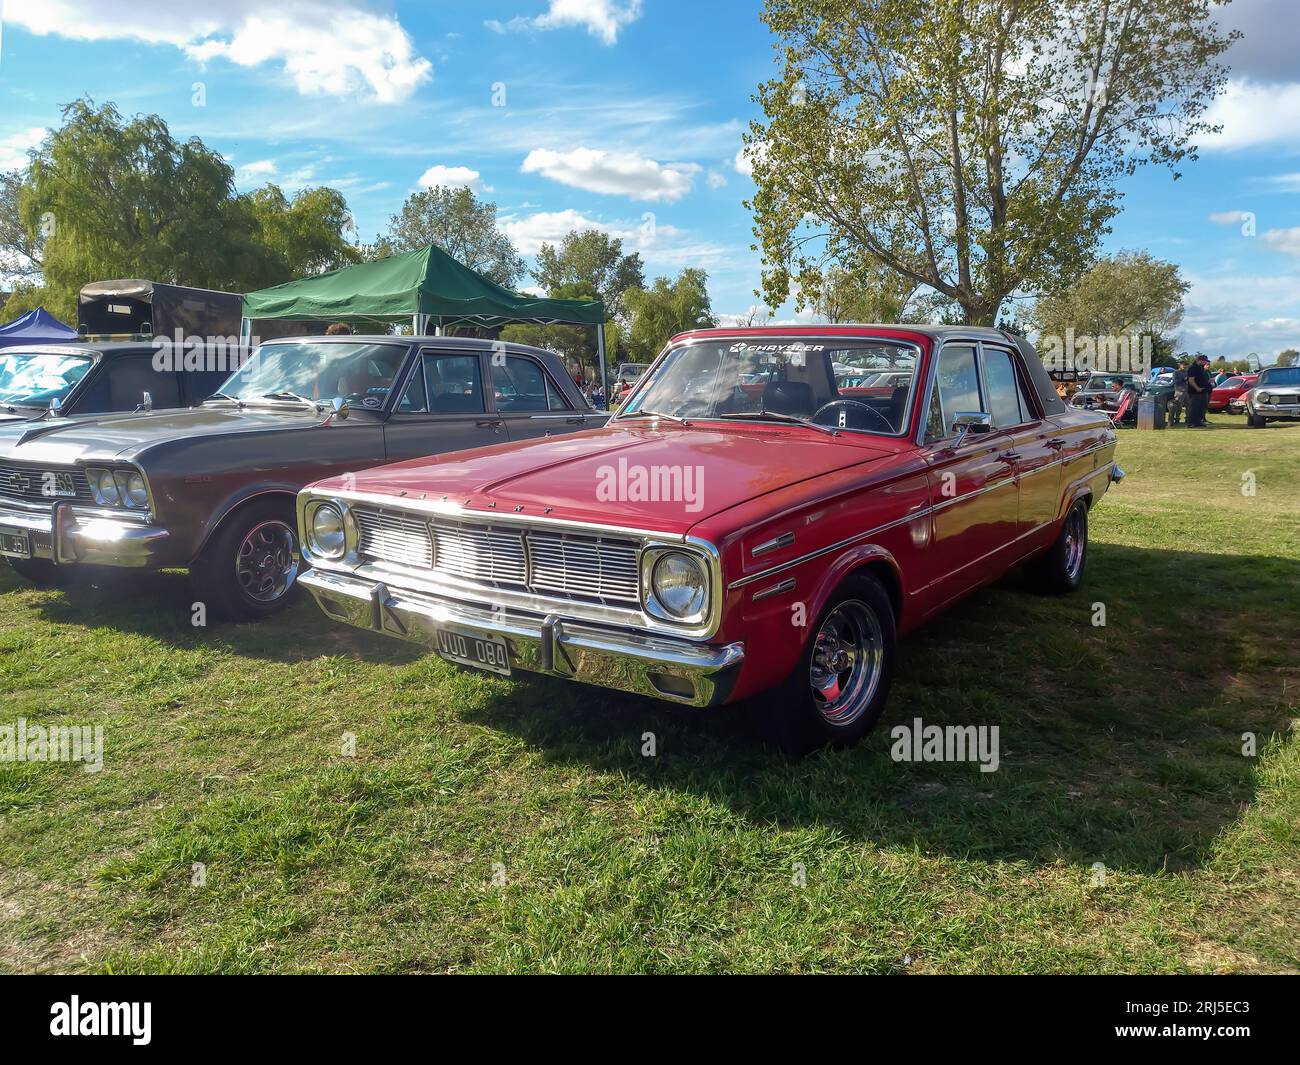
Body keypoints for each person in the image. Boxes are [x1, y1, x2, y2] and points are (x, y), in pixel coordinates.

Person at [1186, 354, 1212, 428]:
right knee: (1194, 407)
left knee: (1202, 407)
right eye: (1204, 361)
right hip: (1194, 392)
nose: (1205, 363)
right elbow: (1191, 380)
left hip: (1203, 391)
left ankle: (1198, 421)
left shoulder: (1201, 368)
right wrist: (1197, 388)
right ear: (1199, 360)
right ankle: (1191, 422)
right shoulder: (1193, 368)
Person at [1170, 360, 1188, 425]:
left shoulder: (1186, 372)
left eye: (1185, 365)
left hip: (1187, 391)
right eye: (1183, 364)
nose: (1184, 366)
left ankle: (1187, 418)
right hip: (1179, 391)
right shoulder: (1176, 372)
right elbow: (1174, 381)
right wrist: (1183, 379)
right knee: (1178, 406)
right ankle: (1177, 419)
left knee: (1188, 406)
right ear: (1179, 365)